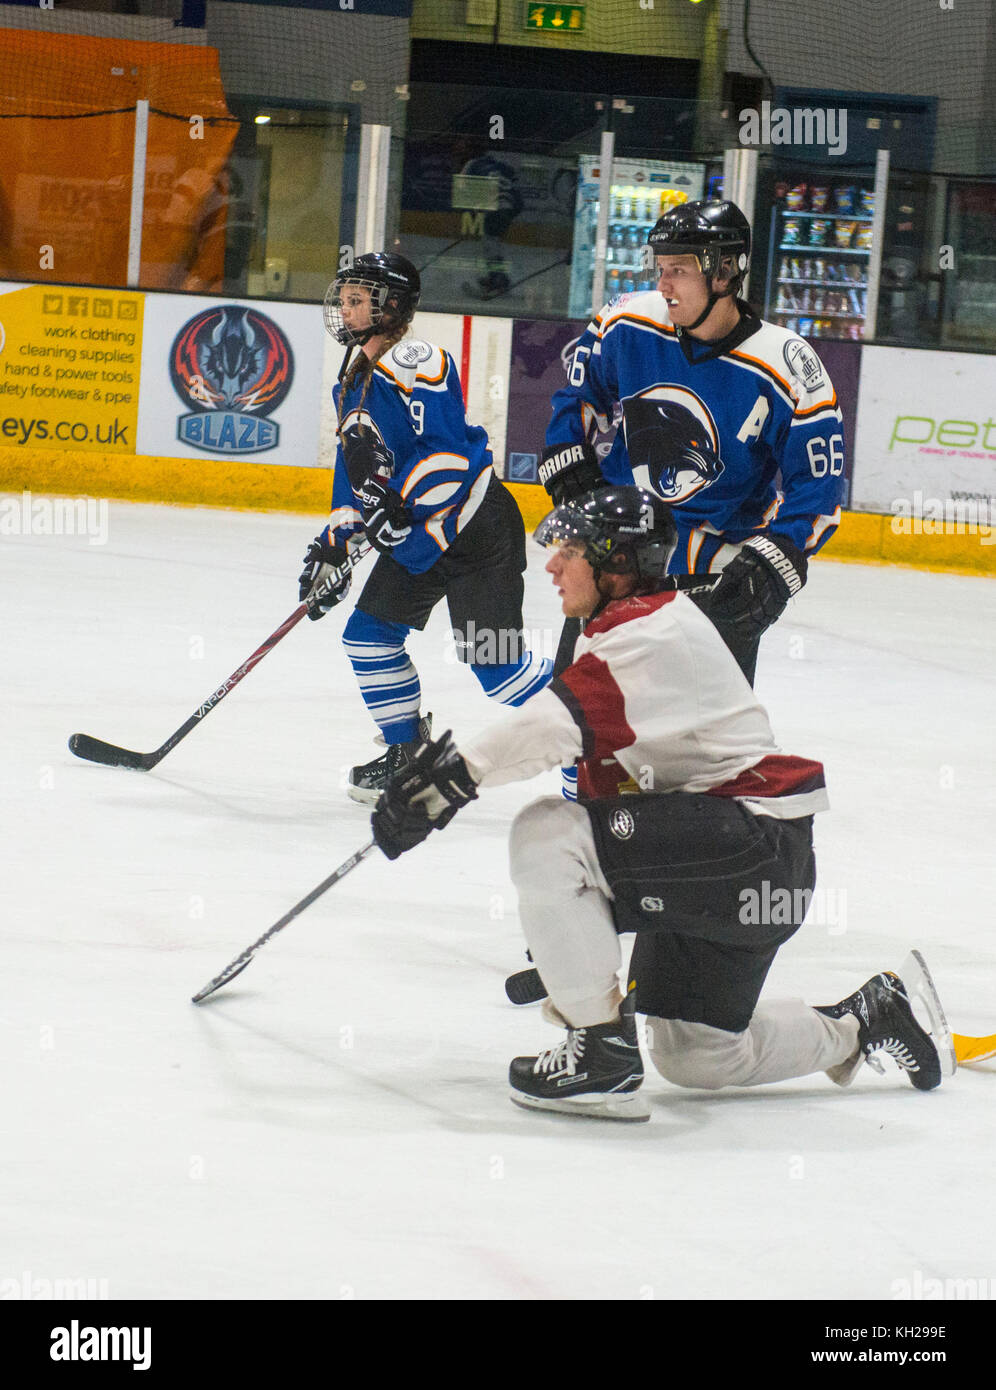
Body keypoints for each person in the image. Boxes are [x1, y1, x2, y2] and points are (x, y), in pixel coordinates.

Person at [369, 487, 954, 1121]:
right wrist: (574, 941)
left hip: (747, 844)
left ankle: (600, 1056)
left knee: (545, 832)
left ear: (615, 564)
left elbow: (547, 730)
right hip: (741, 861)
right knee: (698, 1057)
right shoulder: (639, 621)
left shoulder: (646, 635)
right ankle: (864, 1021)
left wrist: (442, 785)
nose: (551, 566)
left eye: (568, 551)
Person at [538, 199, 847, 688]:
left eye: (677, 270)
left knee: (702, 750)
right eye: (660, 269)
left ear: (723, 272)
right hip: (620, 560)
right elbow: (578, 395)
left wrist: (780, 556)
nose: (663, 285)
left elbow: (818, 484)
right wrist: (566, 451)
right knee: (582, 740)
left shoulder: (786, 363)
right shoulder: (628, 322)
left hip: (718, 576)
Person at [298, 251, 551, 803]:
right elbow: (354, 476)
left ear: (390, 307)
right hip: (419, 538)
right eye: (344, 295)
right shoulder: (351, 382)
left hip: (475, 527)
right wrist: (337, 542)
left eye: (357, 298)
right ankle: (408, 756)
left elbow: (446, 453)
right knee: (367, 639)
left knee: (499, 670)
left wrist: (399, 503)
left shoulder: (418, 358)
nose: (344, 306)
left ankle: (608, 731)